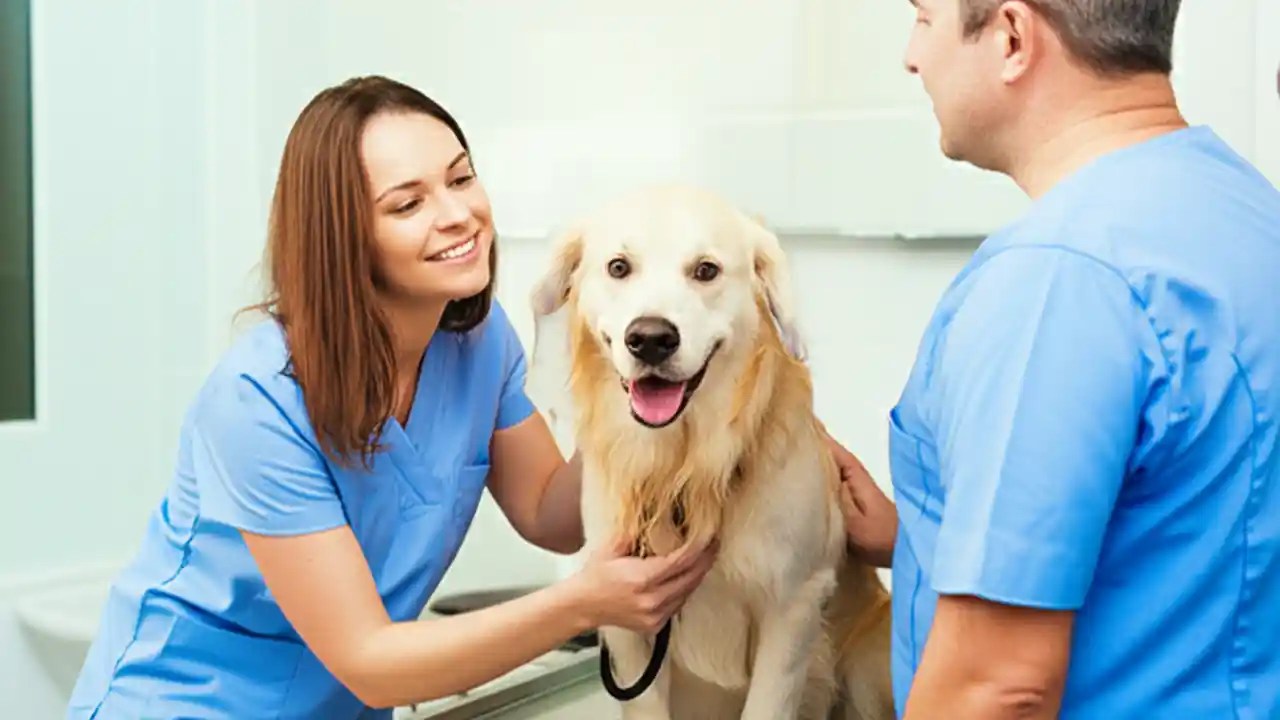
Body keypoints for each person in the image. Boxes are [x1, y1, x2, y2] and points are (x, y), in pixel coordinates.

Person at [66, 75, 720, 719]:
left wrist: (645, 387)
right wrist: (584, 603)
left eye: (460, 178)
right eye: (408, 205)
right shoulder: (256, 402)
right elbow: (373, 664)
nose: (457, 214)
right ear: (345, 236)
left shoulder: (478, 342)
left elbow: (552, 513)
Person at [830, 1, 1280, 718]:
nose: (911, 56)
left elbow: (998, 686)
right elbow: (1200, 533)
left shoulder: (1058, 279)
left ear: (1012, 36)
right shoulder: (1247, 210)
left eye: (924, 18)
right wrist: (926, 539)